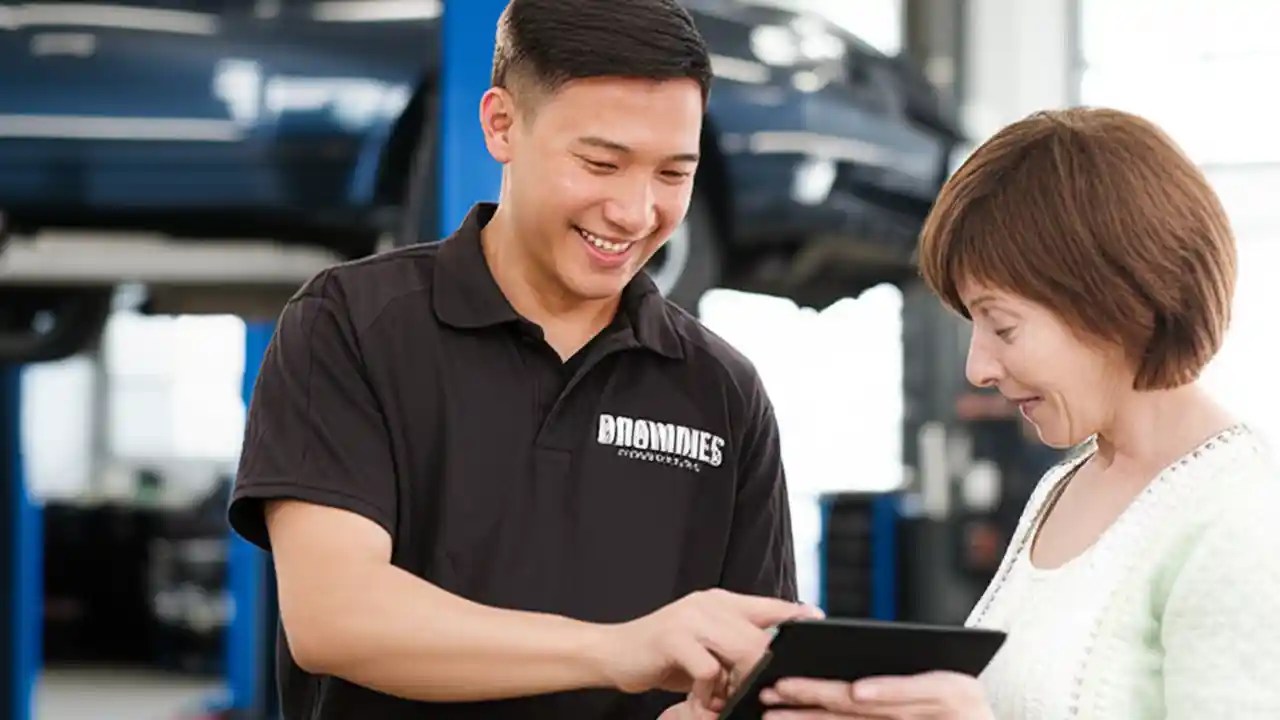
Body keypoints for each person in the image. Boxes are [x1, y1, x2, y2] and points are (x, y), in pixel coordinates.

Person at [226, 1, 820, 718]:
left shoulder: (721, 391)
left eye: (672, 173)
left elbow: (753, 673)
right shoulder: (350, 326)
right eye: (601, 163)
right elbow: (336, 616)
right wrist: (619, 650)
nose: (635, 212)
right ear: (502, 124)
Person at [756, 108, 1280, 718]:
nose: (977, 368)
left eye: (1003, 327)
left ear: (1115, 301)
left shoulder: (1242, 518)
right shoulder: (1065, 484)